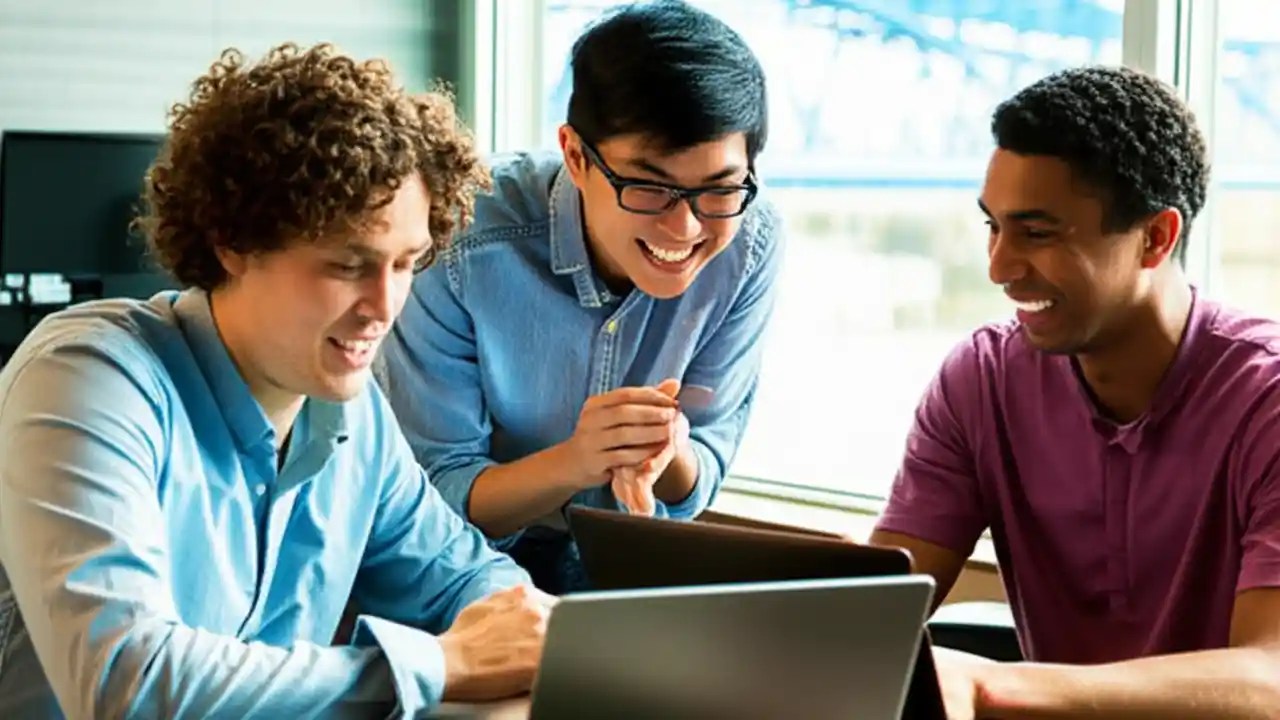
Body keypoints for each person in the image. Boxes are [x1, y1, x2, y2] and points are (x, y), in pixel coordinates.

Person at [0, 43, 552, 719]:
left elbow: (471, 583)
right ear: (233, 241)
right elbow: (128, 681)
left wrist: (525, 637)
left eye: (407, 264)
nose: (385, 307)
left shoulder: (355, 419)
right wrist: (441, 664)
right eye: (349, 265)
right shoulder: (87, 375)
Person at [871, 65, 1280, 718]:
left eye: (1036, 233)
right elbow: (873, 606)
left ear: (1155, 237)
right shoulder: (979, 379)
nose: (999, 267)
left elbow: (1271, 679)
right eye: (993, 227)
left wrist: (989, 687)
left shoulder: (1268, 399)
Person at [377, 0, 782, 594]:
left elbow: (697, 483)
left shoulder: (750, 239)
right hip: (451, 564)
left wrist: (668, 450)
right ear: (574, 155)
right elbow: (435, 497)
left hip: (623, 565)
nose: (686, 227)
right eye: (648, 188)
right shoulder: (460, 236)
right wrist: (577, 461)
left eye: (717, 190)